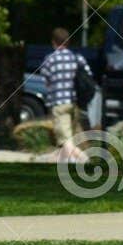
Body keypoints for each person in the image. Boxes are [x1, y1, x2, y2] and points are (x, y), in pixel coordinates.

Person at [40, 26, 92, 161]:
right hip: (74, 103)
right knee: (69, 137)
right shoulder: (77, 58)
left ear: (53, 42)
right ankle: (68, 162)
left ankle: (86, 160)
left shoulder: (49, 59)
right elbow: (88, 77)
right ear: (68, 42)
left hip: (59, 103)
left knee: (65, 141)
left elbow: (45, 82)